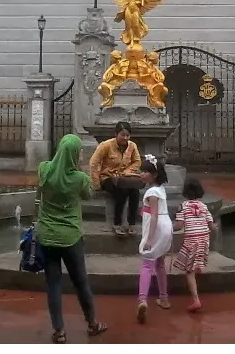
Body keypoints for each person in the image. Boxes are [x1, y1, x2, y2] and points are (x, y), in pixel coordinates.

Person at [36, 134, 108, 343]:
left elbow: (39, 189)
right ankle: (92, 323)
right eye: (80, 152)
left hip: (47, 236)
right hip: (71, 238)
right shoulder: (79, 179)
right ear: (74, 154)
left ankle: (59, 331)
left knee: (53, 285)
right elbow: (89, 195)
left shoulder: (44, 169)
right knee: (81, 282)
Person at [136, 154, 174, 324]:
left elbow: (154, 215)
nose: (141, 174)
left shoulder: (151, 192)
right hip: (166, 227)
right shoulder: (160, 189)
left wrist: (150, 238)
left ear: (154, 175)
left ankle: (142, 299)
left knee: (146, 263)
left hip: (157, 228)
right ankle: (164, 298)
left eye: (145, 171)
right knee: (159, 263)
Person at [89, 121, 143, 236]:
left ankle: (131, 223)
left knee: (135, 191)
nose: (125, 138)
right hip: (107, 177)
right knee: (122, 191)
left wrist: (126, 172)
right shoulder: (106, 145)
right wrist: (96, 183)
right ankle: (117, 223)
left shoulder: (132, 146)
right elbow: (94, 163)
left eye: (127, 135)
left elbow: (137, 162)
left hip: (124, 178)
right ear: (116, 134)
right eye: (122, 135)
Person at [172, 178, 216, 313]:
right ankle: (198, 266)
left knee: (189, 271)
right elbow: (211, 225)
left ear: (185, 192)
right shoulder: (203, 206)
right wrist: (214, 227)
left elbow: (179, 226)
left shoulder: (183, 206)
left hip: (192, 240)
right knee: (196, 259)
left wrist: (169, 228)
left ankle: (196, 299)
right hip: (204, 239)